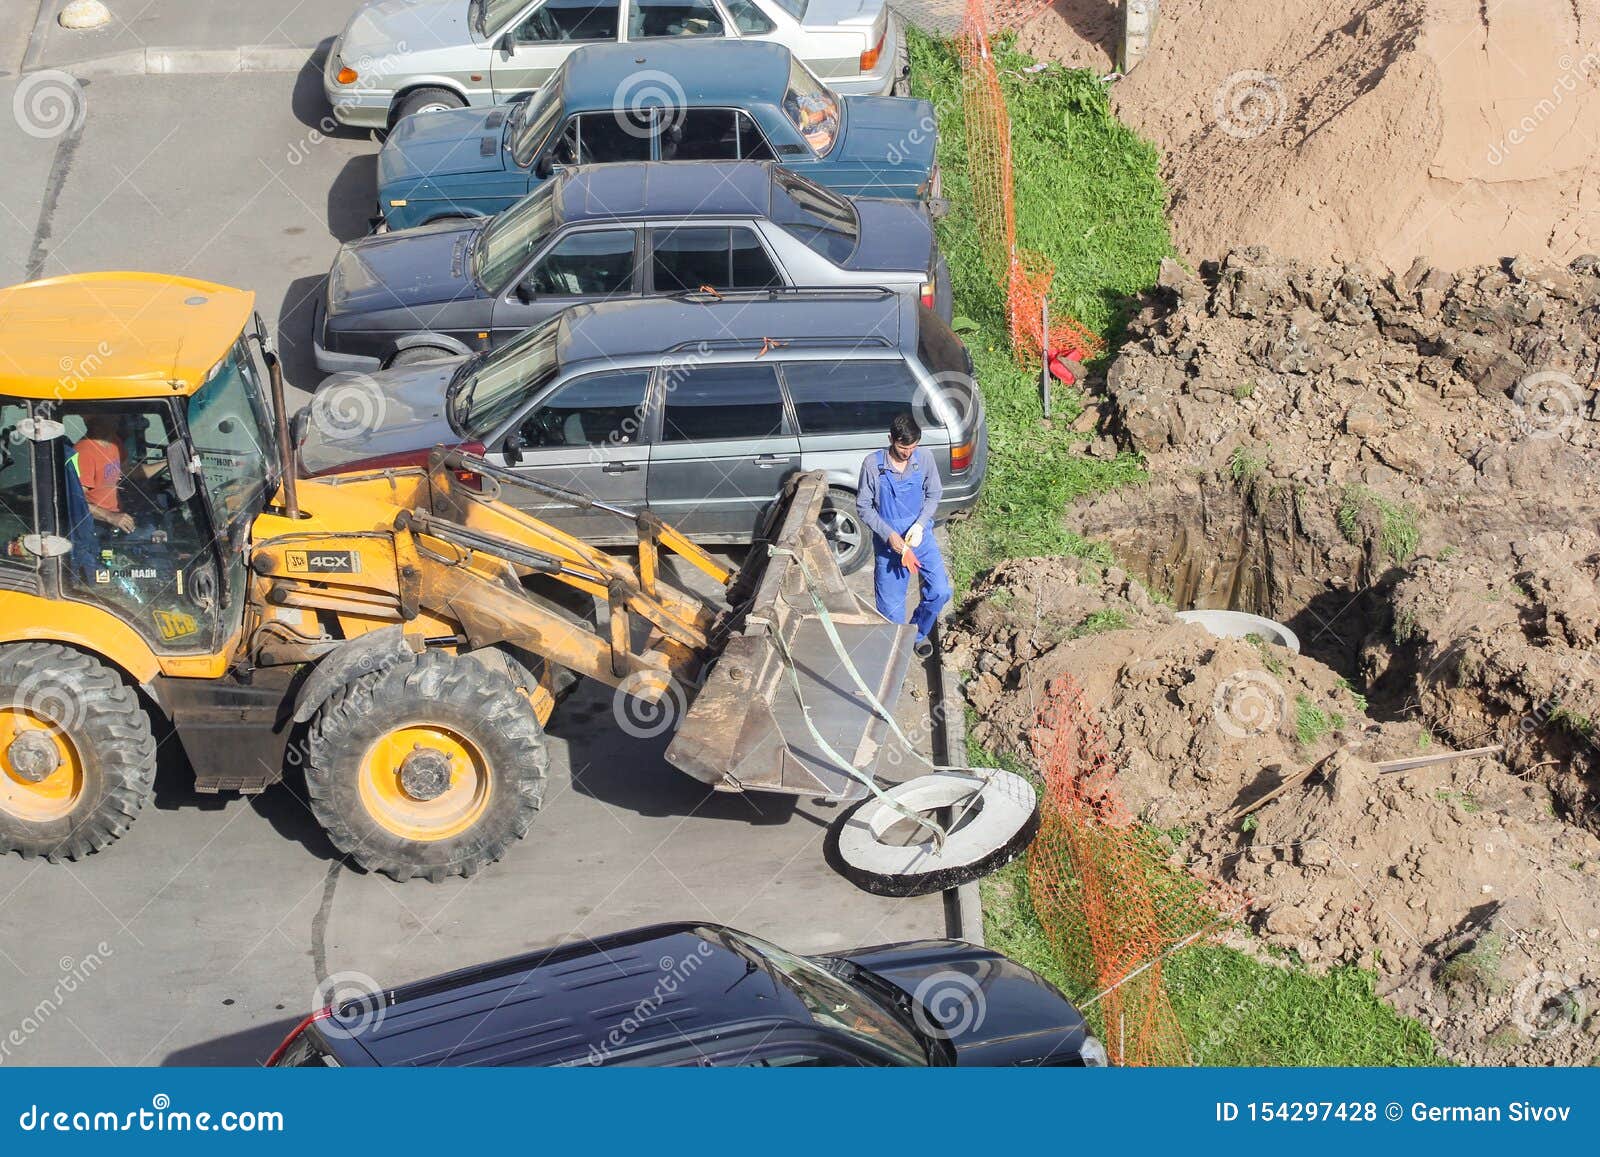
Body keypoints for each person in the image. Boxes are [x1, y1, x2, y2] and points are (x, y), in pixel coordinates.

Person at [857, 411, 952, 660]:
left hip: (920, 539)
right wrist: (888, 535)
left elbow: (934, 494)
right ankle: (895, 653)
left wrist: (920, 525)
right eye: (902, 447)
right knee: (891, 611)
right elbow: (864, 507)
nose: (907, 452)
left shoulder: (925, 459)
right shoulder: (872, 466)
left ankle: (918, 633)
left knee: (940, 591)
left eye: (912, 446)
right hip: (890, 548)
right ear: (891, 439)